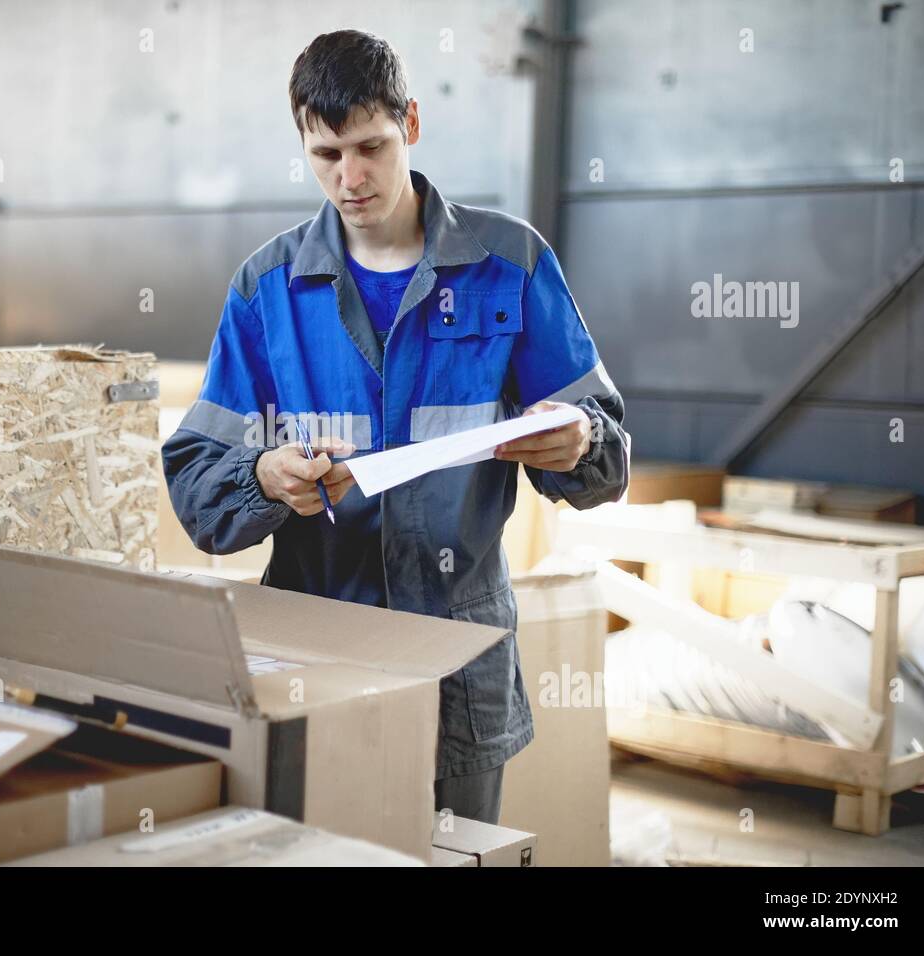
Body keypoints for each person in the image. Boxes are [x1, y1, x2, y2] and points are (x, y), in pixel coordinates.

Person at [162, 29, 629, 824]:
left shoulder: (507, 264)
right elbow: (200, 482)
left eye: (370, 146)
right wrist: (262, 477)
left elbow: (607, 451)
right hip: (313, 651)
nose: (350, 178)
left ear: (410, 123)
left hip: (459, 658)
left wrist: (579, 440)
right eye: (326, 154)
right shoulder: (267, 290)